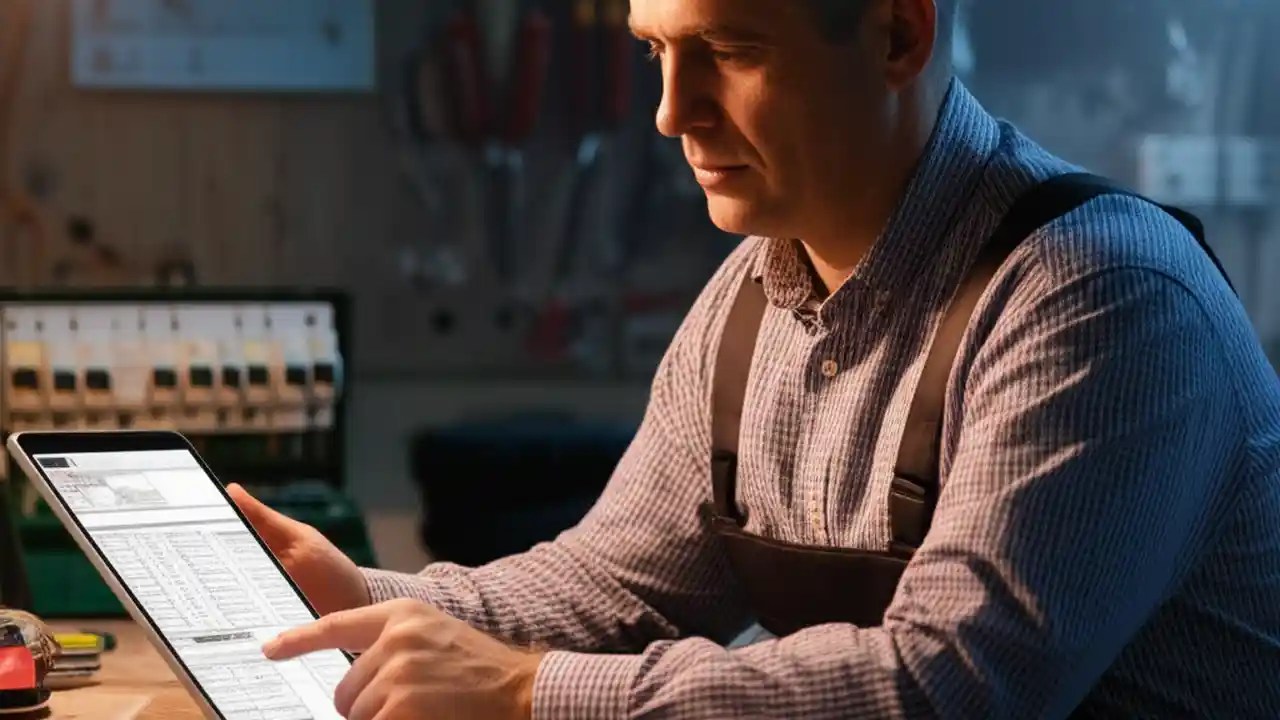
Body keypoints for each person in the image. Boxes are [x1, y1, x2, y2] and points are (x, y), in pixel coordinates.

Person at [231, 0, 1280, 717]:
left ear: (896, 34)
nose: (669, 111)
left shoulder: (1095, 299)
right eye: (655, 48)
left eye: (729, 50)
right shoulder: (755, 291)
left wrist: (525, 690)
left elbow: (949, 687)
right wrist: (361, 605)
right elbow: (615, 585)